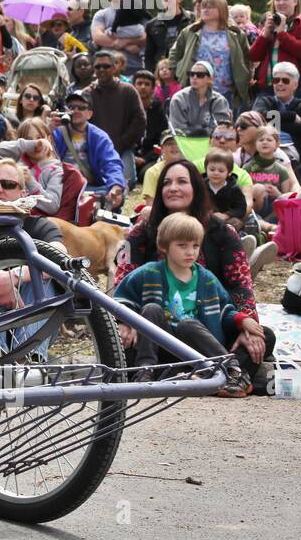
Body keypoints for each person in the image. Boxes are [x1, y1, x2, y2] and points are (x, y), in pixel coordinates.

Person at [114, 159, 269, 377]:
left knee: (264, 337)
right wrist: (123, 321)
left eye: (182, 181)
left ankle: (207, 375)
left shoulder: (222, 232)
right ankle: (210, 376)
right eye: (166, 183)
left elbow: (241, 286)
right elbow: (123, 281)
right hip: (155, 333)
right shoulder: (141, 231)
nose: (173, 187)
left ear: (196, 188)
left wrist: (245, 324)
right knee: (120, 343)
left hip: (209, 332)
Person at [112, 212, 262, 396]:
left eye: (195, 246)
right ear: (164, 247)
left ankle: (231, 371)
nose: (190, 252)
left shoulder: (206, 279)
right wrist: (125, 322)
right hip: (161, 344)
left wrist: (241, 319)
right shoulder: (148, 273)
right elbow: (122, 300)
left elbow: (224, 310)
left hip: (196, 348)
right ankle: (145, 373)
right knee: (151, 309)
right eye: (182, 245)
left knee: (188, 324)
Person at [169, 0, 251, 114]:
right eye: (203, 7)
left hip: (227, 92)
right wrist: (179, 73)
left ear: (222, 10)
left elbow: (247, 58)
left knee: (224, 128)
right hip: (195, 90)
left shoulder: (237, 34)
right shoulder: (190, 31)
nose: (206, 9)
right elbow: (175, 54)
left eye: (211, 6)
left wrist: (245, 76)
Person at [51, 89, 125, 209]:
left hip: (91, 187)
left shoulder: (99, 137)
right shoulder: (56, 132)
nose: (75, 110)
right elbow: (39, 155)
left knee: (115, 192)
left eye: (81, 108)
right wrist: (47, 130)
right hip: (61, 186)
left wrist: (116, 185)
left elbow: (112, 163)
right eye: (71, 107)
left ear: (89, 114)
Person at [250, 0, 301, 103]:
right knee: (261, 120)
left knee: (292, 121)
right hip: (268, 87)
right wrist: (265, 34)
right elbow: (254, 56)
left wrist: (282, 34)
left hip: (296, 87)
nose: (281, 3)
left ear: (295, 1)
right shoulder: (270, 23)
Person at [87, 50, 145, 187]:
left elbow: (139, 120)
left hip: (122, 148)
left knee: (127, 182)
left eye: (106, 66)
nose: (102, 70)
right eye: (98, 67)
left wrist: (121, 143)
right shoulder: (87, 93)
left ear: (114, 67)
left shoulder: (128, 91)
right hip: (94, 149)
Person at [252, 62, 301, 173]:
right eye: (276, 80)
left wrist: (271, 123)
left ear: (295, 85)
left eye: (285, 81)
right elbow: (256, 118)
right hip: (265, 150)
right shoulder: (265, 101)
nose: (280, 84)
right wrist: (291, 116)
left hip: (294, 153)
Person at [0, 117, 63, 215]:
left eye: (39, 138)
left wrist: (30, 182)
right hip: (8, 214)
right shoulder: (17, 158)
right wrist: (30, 144)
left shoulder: (55, 170)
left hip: (34, 220)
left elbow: (52, 206)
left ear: (49, 139)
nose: (36, 144)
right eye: (29, 139)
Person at [91, 0, 147, 74]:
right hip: (107, 68)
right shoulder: (101, 14)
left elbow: (147, 37)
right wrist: (125, 45)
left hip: (134, 66)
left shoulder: (137, 11)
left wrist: (126, 41)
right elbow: (98, 37)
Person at [245, 126, 299, 219]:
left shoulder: (281, 170)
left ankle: (268, 223)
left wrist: (277, 194)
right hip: (253, 208)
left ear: (277, 144)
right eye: (261, 140)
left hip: (274, 211)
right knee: (258, 189)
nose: (265, 142)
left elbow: (285, 196)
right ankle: (255, 221)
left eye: (269, 140)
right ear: (255, 144)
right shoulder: (248, 167)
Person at [144, 0, 189, 72]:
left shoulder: (192, 20)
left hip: (185, 71)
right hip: (162, 74)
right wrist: (152, 77)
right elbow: (149, 56)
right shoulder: (151, 25)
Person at [133, 69, 166, 178]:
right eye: (139, 83)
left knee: (146, 174)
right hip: (130, 154)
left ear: (153, 88)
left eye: (147, 84)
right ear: (133, 86)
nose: (143, 87)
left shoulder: (158, 108)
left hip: (151, 155)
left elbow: (162, 138)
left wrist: (146, 158)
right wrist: (133, 157)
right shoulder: (127, 106)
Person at [203, 150, 247, 227]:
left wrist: (226, 215)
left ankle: (241, 237)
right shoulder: (201, 186)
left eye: (221, 171)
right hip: (206, 218)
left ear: (229, 172)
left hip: (227, 220)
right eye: (212, 169)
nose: (216, 173)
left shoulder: (234, 189)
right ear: (206, 169)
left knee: (236, 222)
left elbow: (241, 208)